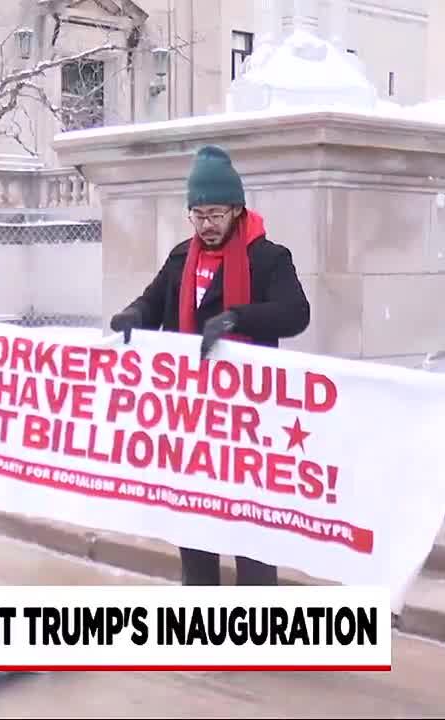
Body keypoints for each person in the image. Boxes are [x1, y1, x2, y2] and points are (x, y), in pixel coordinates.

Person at [107, 144, 311, 587]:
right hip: (192, 414)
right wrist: (134, 316)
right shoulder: (182, 256)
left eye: (216, 214)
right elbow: (153, 299)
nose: (207, 225)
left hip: (247, 419)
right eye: (198, 215)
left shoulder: (268, 258)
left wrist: (240, 316)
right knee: (194, 523)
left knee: (249, 530)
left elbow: (297, 313)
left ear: (238, 209)